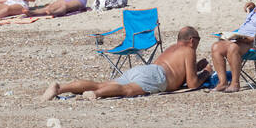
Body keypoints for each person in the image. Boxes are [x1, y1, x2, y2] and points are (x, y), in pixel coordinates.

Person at [41, 27, 210, 101]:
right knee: (125, 90)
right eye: (198, 40)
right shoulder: (189, 50)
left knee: (103, 83)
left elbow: (179, 73)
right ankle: (97, 94)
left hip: (145, 69)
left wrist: (196, 68)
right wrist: (206, 72)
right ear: (192, 40)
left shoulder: (172, 49)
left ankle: (60, 88)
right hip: (157, 76)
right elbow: (193, 83)